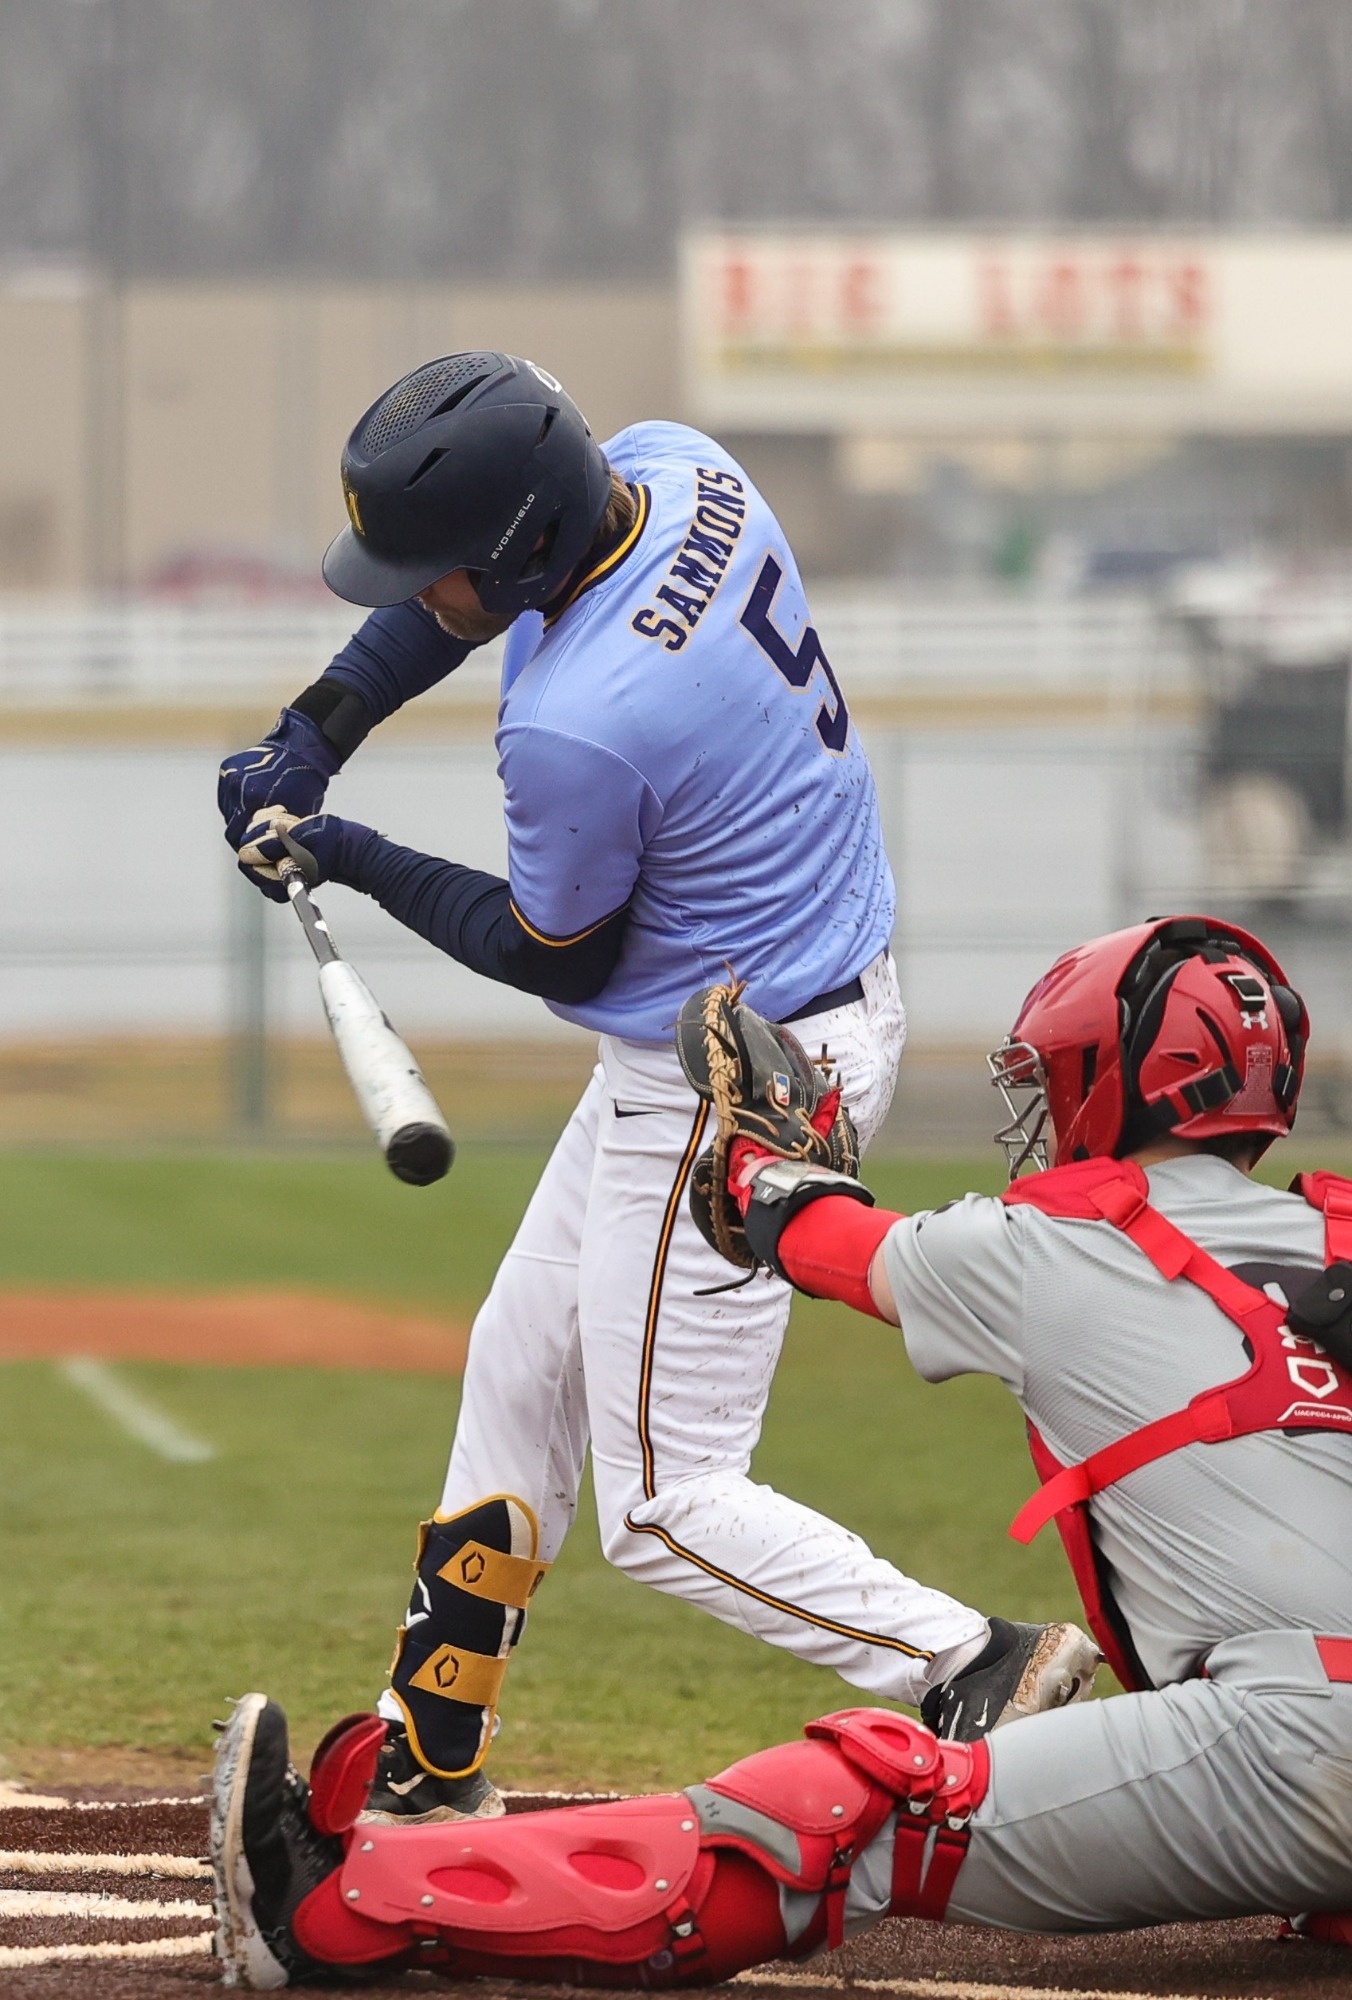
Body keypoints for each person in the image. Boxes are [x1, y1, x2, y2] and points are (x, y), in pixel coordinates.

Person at [217, 352, 1093, 1830]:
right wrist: (318, 726)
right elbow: (455, 604)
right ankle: (433, 1749)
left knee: (666, 1504)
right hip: (771, 1002)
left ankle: (973, 1661)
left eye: (440, 568)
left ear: (520, 550)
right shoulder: (680, 468)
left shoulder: (580, 720)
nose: (420, 596)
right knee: (519, 1361)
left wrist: (342, 849)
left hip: (737, 1079)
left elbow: (548, 947)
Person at [212, 912, 1352, 1989]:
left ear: (1115, 1079)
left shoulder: (1049, 1241)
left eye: (1056, 1074)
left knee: (850, 1809)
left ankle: (333, 1910)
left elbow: (813, 1236)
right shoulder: (1335, 1232)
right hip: (1306, 1751)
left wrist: (759, 1161)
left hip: (1289, 1746)